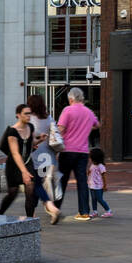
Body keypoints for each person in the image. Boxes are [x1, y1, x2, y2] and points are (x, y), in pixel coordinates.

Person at [54, 87, 99, 222]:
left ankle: (55, 207)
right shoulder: (89, 112)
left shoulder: (67, 110)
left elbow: (60, 129)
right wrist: (85, 128)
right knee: (82, 182)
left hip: (67, 151)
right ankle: (84, 211)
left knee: (62, 180)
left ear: (71, 99)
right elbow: (97, 125)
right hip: (83, 152)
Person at [0, 104, 43, 219]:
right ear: (18, 115)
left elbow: (31, 143)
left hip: (28, 162)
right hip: (13, 166)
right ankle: (0, 213)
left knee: (30, 190)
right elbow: (15, 153)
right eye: (26, 113)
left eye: (30, 113)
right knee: (13, 193)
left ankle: (30, 220)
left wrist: (40, 140)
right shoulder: (12, 132)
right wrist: (23, 171)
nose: (29, 116)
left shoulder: (30, 127)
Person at [27, 95, 60, 220]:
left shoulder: (30, 119)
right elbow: (55, 133)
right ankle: (40, 209)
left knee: (35, 184)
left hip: (35, 155)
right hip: (48, 155)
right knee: (38, 183)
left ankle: (47, 208)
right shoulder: (49, 118)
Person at [88, 146, 112, 218]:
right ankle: (95, 211)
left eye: (91, 158)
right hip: (92, 185)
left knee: (99, 199)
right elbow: (89, 172)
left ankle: (108, 210)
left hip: (98, 186)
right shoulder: (92, 165)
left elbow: (104, 176)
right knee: (93, 199)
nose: (90, 159)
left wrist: (105, 186)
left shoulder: (101, 166)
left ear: (95, 158)